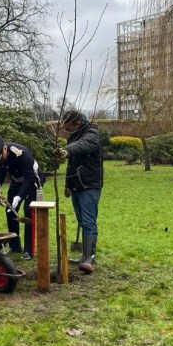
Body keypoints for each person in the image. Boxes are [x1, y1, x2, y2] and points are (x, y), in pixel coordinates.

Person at [56, 109, 104, 274]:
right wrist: (68, 184)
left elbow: (83, 146)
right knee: (82, 221)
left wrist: (67, 150)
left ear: (77, 123)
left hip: (89, 185)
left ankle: (90, 258)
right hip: (76, 185)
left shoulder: (91, 133)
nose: (67, 132)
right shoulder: (74, 136)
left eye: (69, 128)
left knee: (89, 221)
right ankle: (84, 255)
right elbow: (72, 164)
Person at [0, 135, 45, 260]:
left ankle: (28, 250)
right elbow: (2, 167)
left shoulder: (22, 153)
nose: (1, 160)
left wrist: (20, 196)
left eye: (1, 156)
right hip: (16, 181)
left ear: (5, 148)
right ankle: (15, 245)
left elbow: (29, 178)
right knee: (10, 211)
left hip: (32, 181)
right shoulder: (2, 156)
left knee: (28, 213)